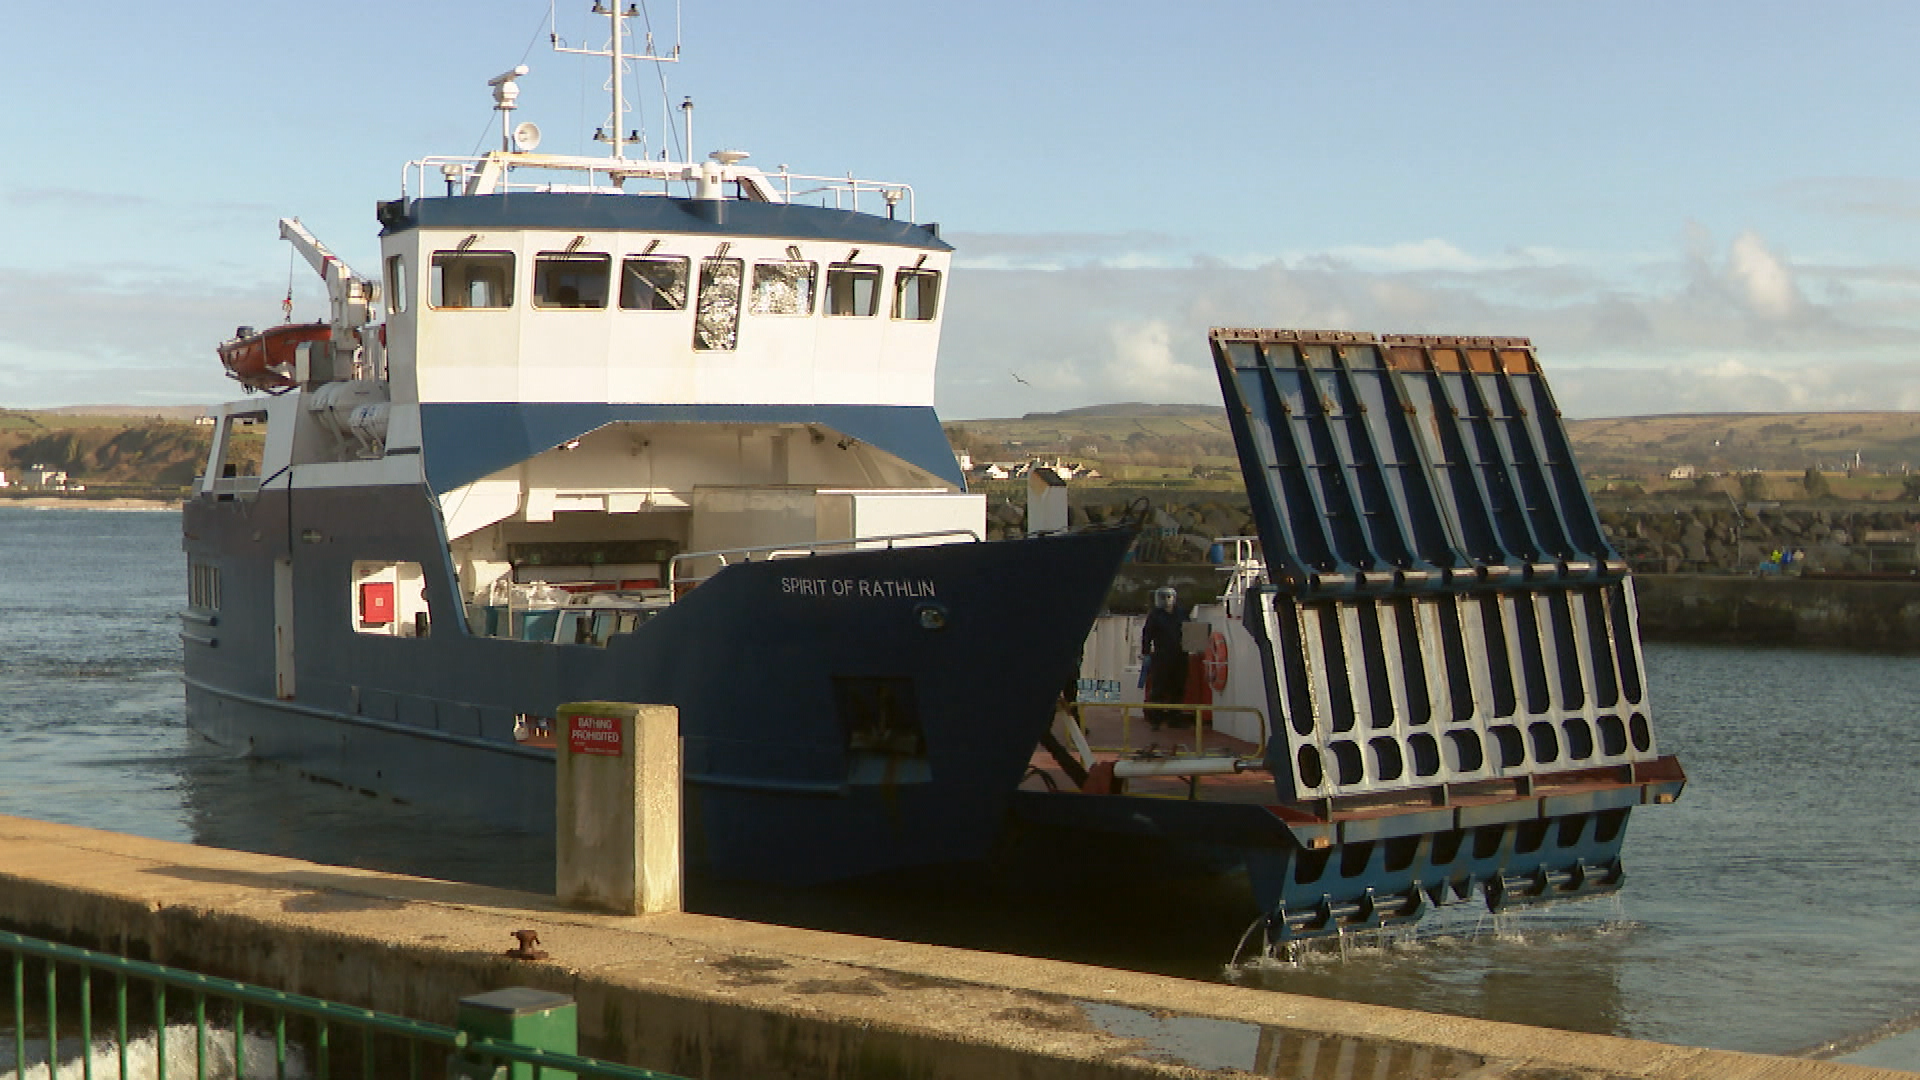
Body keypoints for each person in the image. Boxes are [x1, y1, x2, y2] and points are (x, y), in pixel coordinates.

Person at [1142, 587, 1189, 730]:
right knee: (1159, 688)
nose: (1167, 600)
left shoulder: (1181, 613)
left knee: (1178, 687)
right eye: (1164, 597)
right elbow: (1147, 634)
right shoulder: (1155, 615)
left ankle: (1175, 718)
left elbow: (1190, 629)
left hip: (1180, 655)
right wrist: (1146, 652)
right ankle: (1155, 719)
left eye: (1169, 597)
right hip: (1161, 655)